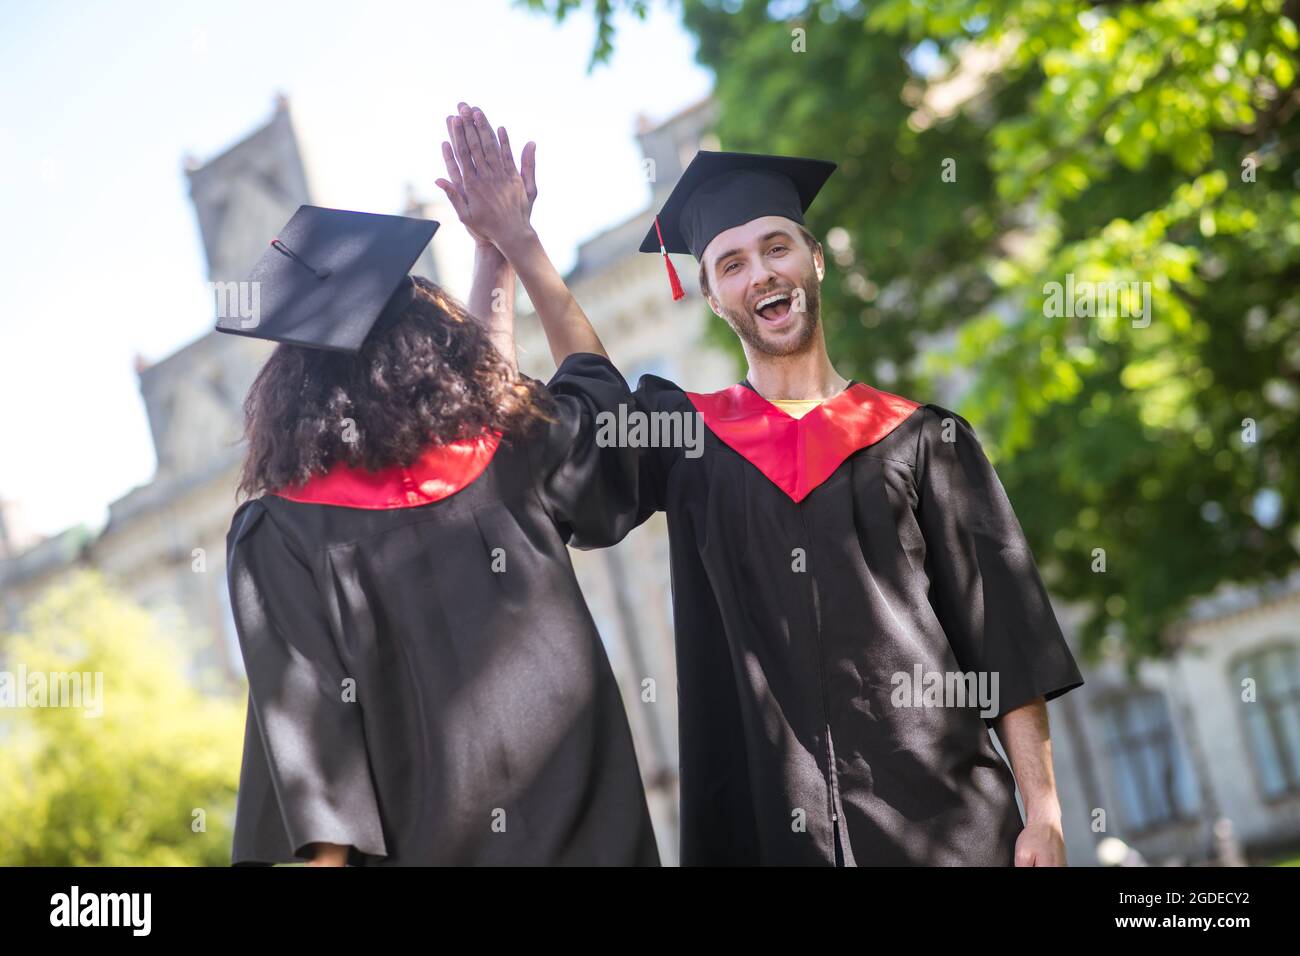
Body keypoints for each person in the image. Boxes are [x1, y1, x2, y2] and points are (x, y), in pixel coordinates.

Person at [467, 141, 1086, 866]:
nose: (760, 272)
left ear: (814, 260)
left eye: (775, 248)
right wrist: (514, 248)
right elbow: (583, 410)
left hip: (948, 829)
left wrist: (1043, 811)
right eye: (731, 263)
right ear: (711, 295)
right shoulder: (690, 441)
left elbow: (1005, 641)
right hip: (768, 832)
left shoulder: (927, 440)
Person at [219, 111, 659, 866]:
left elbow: (321, 795)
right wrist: (515, 247)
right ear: (433, 349)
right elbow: (603, 415)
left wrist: (495, 260)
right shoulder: (514, 458)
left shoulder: (282, 538)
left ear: (289, 386)